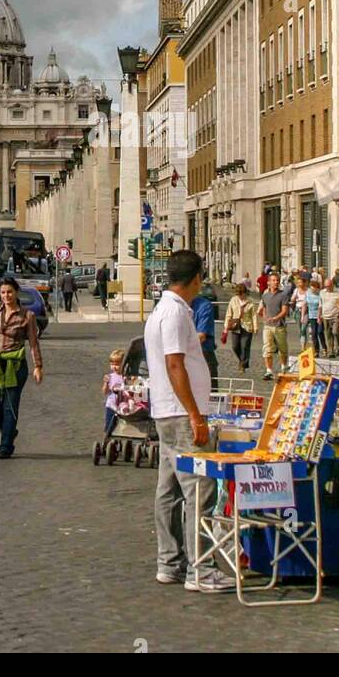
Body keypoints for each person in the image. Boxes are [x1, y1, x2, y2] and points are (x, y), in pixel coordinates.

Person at [147, 249, 234, 593]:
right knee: (199, 489)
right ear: (196, 278)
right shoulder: (174, 314)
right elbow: (174, 364)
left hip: (167, 412)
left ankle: (169, 563)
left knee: (168, 491)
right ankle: (201, 568)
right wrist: (196, 415)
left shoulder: (161, 310)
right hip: (181, 414)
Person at [0, 276, 44, 458]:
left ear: (16, 292)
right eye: (2, 292)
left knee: (10, 407)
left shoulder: (27, 315)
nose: (6, 295)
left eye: (9, 292)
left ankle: (5, 445)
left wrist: (37, 366)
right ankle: (9, 431)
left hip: (15, 366)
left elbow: (33, 342)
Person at [258, 271, 292, 381]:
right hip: (268, 326)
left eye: (277, 280)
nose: (276, 282)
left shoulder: (283, 295)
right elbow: (264, 308)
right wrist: (265, 317)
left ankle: (283, 367)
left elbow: (285, 311)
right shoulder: (265, 295)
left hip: (279, 326)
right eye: (273, 280)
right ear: (269, 282)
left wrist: (276, 318)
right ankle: (269, 370)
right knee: (267, 348)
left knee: (282, 348)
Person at [222, 282, 258, 373]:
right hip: (235, 326)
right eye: (238, 294)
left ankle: (242, 364)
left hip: (247, 326)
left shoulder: (251, 301)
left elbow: (254, 315)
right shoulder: (233, 300)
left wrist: (255, 326)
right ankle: (241, 360)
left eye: (241, 294)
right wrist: (226, 327)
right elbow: (228, 314)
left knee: (245, 346)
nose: (239, 296)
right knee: (235, 346)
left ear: (245, 293)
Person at [191, 286, 218, 386]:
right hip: (182, 358)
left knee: (211, 394)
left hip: (203, 354)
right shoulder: (173, 307)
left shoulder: (203, 305)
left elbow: (201, 336)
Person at [101, 348, 127, 438]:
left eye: (117, 364)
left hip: (123, 405)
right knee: (109, 425)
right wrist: (106, 383)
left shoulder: (125, 377)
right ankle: (108, 437)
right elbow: (105, 392)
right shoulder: (110, 377)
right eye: (112, 364)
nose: (114, 367)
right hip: (111, 405)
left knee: (124, 426)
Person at [319, 278, 339, 357]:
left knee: (335, 332)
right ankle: (331, 351)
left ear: (332, 285)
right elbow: (320, 305)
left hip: (336, 315)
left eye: (329, 286)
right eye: (326, 286)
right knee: (328, 334)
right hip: (325, 315)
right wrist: (319, 315)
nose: (327, 288)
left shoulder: (338, 292)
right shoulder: (322, 292)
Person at [304, 278, 323, 353]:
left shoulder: (320, 294)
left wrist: (319, 316)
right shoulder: (308, 294)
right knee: (314, 333)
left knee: (320, 332)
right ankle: (316, 350)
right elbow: (304, 304)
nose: (312, 290)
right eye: (311, 288)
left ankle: (324, 347)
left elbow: (321, 306)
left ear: (317, 288)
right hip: (311, 316)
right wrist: (303, 315)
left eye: (314, 288)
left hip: (320, 316)